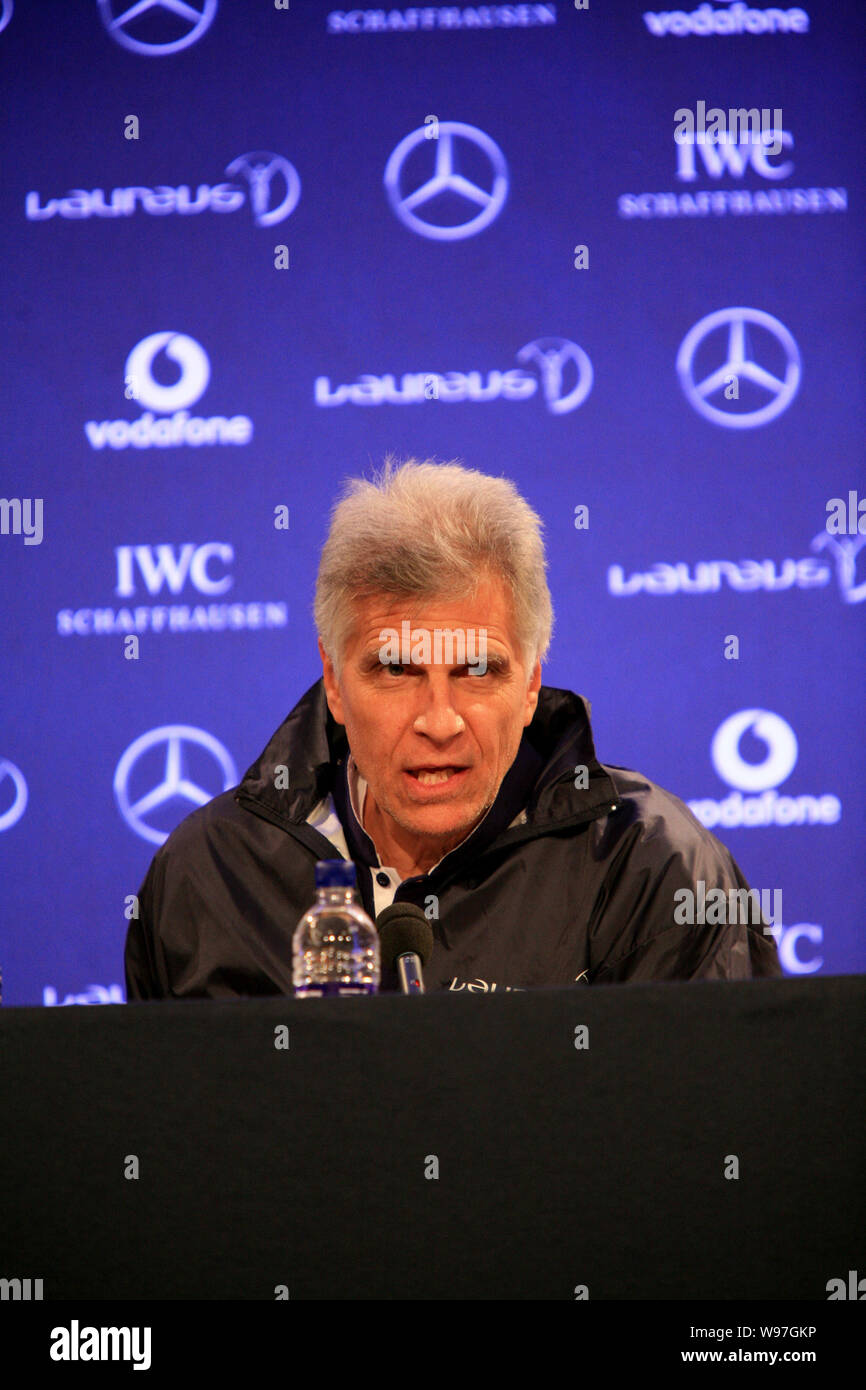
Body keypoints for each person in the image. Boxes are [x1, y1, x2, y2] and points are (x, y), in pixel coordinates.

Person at [124, 457, 781, 998]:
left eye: (476, 672)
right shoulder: (210, 876)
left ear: (529, 684)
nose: (438, 722)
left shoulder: (650, 868)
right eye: (397, 672)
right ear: (334, 681)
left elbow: (700, 1135)